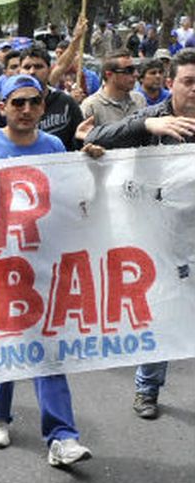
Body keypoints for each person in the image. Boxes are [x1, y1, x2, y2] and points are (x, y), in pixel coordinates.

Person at [0, 75, 95, 469]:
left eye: (34, 102)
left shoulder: (53, 146)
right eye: (17, 102)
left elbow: (67, 197)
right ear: (2, 107)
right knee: (7, 342)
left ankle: (62, 437)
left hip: (43, 262)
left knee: (47, 348)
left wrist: (92, 163)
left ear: (42, 107)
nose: (26, 110)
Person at [81, 48, 195, 419]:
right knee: (164, 314)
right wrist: (146, 127)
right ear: (172, 83)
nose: (194, 89)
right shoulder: (153, 117)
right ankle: (147, 390)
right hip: (160, 234)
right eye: (189, 81)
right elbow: (95, 135)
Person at [0, 47, 84, 151]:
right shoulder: (5, 100)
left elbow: (78, 141)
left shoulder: (66, 103)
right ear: (20, 70)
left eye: (38, 67)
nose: (32, 71)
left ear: (49, 69)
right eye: (27, 67)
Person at [81, 51, 146, 126]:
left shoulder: (139, 100)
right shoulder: (91, 106)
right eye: (128, 70)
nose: (136, 74)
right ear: (109, 74)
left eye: (135, 69)